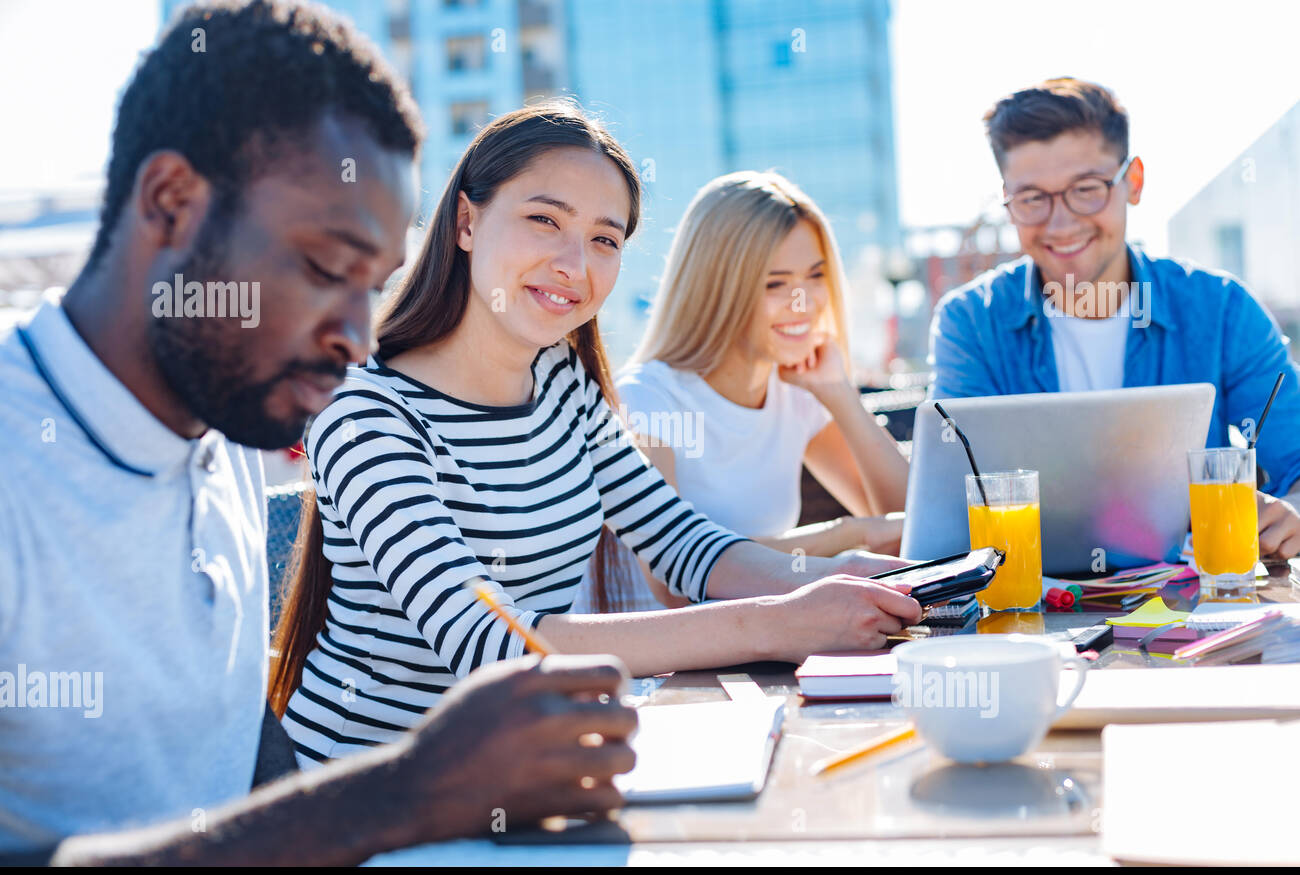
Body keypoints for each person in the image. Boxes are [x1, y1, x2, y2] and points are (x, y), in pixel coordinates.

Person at [0, 0, 636, 866]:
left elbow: (233, 761)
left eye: (370, 285)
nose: (358, 336)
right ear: (171, 202)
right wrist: (402, 794)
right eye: (326, 269)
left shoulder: (216, 429)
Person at [272, 103, 922, 768]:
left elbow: (682, 544)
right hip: (371, 799)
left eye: (604, 240)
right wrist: (780, 622)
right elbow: (491, 642)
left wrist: (833, 577)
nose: (573, 264)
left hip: (534, 770)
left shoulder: (559, 380)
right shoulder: (363, 410)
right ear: (467, 223)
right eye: (544, 220)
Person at [928, 77, 1300, 559]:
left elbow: (1295, 459)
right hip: (1027, 607)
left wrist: (1293, 510)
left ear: (1134, 182)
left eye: (1086, 189)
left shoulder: (1222, 309)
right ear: (1008, 200)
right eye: (1032, 199)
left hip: (1187, 604)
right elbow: (955, 498)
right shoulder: (970, 324)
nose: (1061, 224)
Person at [573, 170, 908, 613]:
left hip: (756, 658)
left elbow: (908, 521)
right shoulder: (648, 400)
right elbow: (674, 584)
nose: (803, 302)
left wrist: (839, 394)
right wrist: (847, 536)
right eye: (775, 283)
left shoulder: (796, 396)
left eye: (815, 276)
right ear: (718, 288)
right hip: (658, 675)